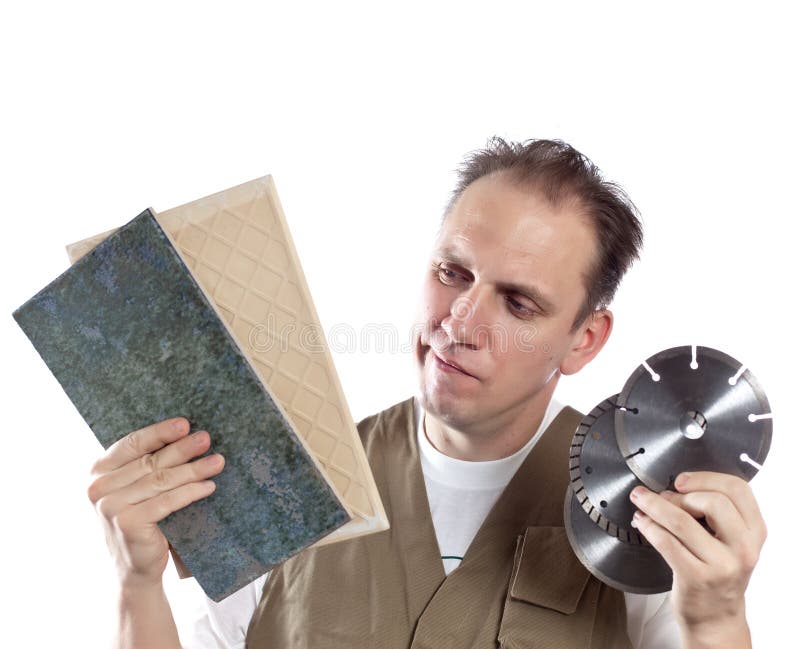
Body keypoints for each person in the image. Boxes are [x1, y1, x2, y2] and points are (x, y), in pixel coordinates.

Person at [87, 138, 767, 649]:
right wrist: (138, 582)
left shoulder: (649, 519)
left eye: (519, 303)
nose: (460, 322)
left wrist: (718, 617)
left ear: (584, 339)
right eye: (453, 271)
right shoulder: (286, 479)